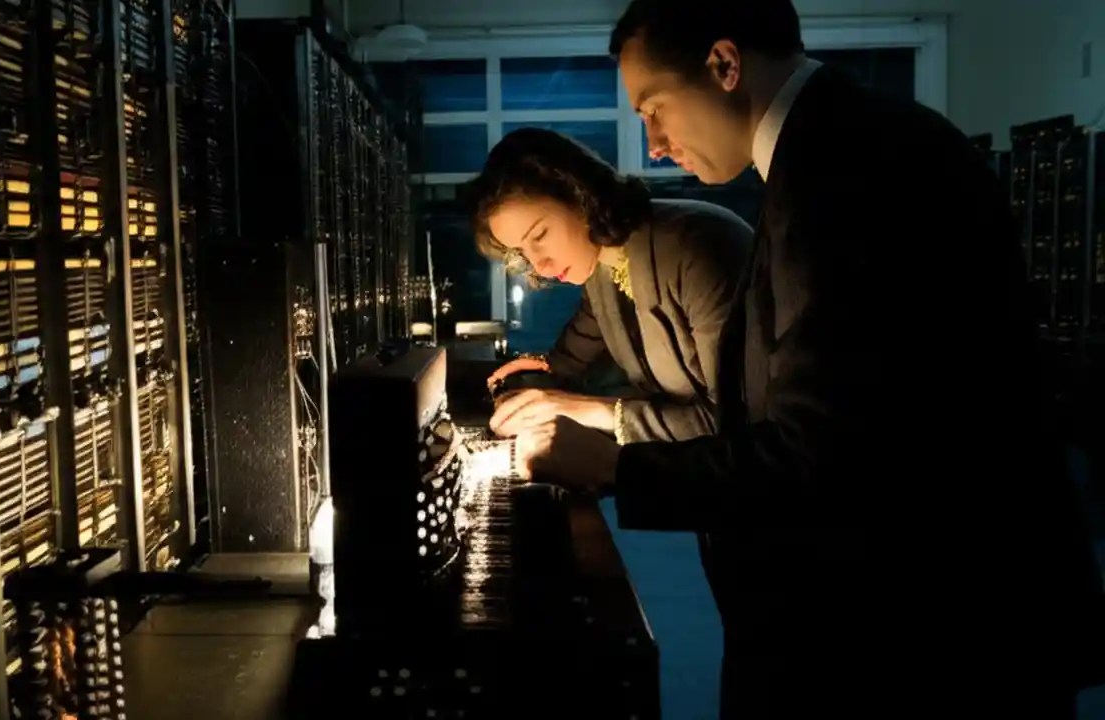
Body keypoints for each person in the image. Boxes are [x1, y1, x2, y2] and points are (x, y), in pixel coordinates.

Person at [510, 1, 1105, 717]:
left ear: (725, 65)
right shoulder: (836, 148)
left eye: (654, 109)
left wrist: (614, 465)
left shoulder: (843, 172)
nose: (655, 144)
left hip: (930, 630)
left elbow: (825, 452)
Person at [468, 127, 752, 447]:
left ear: (579, 196)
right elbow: (568, 360)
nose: (539, 265)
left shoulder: (694, 249)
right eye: (522, 251)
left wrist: (585, 410)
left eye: (540, 235)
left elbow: (735, 422)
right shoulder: (603, 269)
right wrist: (533, 376)